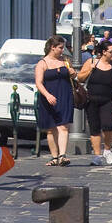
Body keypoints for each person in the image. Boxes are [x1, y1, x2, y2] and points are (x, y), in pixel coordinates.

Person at [76, 39, 112, 165]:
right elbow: (80, 77)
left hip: (107, 100)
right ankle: (97, 156)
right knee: (94, 128)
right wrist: (90, 70)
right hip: (91, 100)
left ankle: (107, 150)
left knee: (108, 125)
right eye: (111, 51)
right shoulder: (91, 62)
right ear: (103, 52)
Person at [35, 36, 77, 166]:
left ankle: (62, 155)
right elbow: (38, 82)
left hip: (65, 96)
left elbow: (74, 76)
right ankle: (54, 156)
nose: (62, 50)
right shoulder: (43, 63)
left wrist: (72, 72)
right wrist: (47, 95)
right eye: (60, 47)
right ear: (52, 48)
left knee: (64, 126)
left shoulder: (65, 61)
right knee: (51, 129)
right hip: (49, 97)